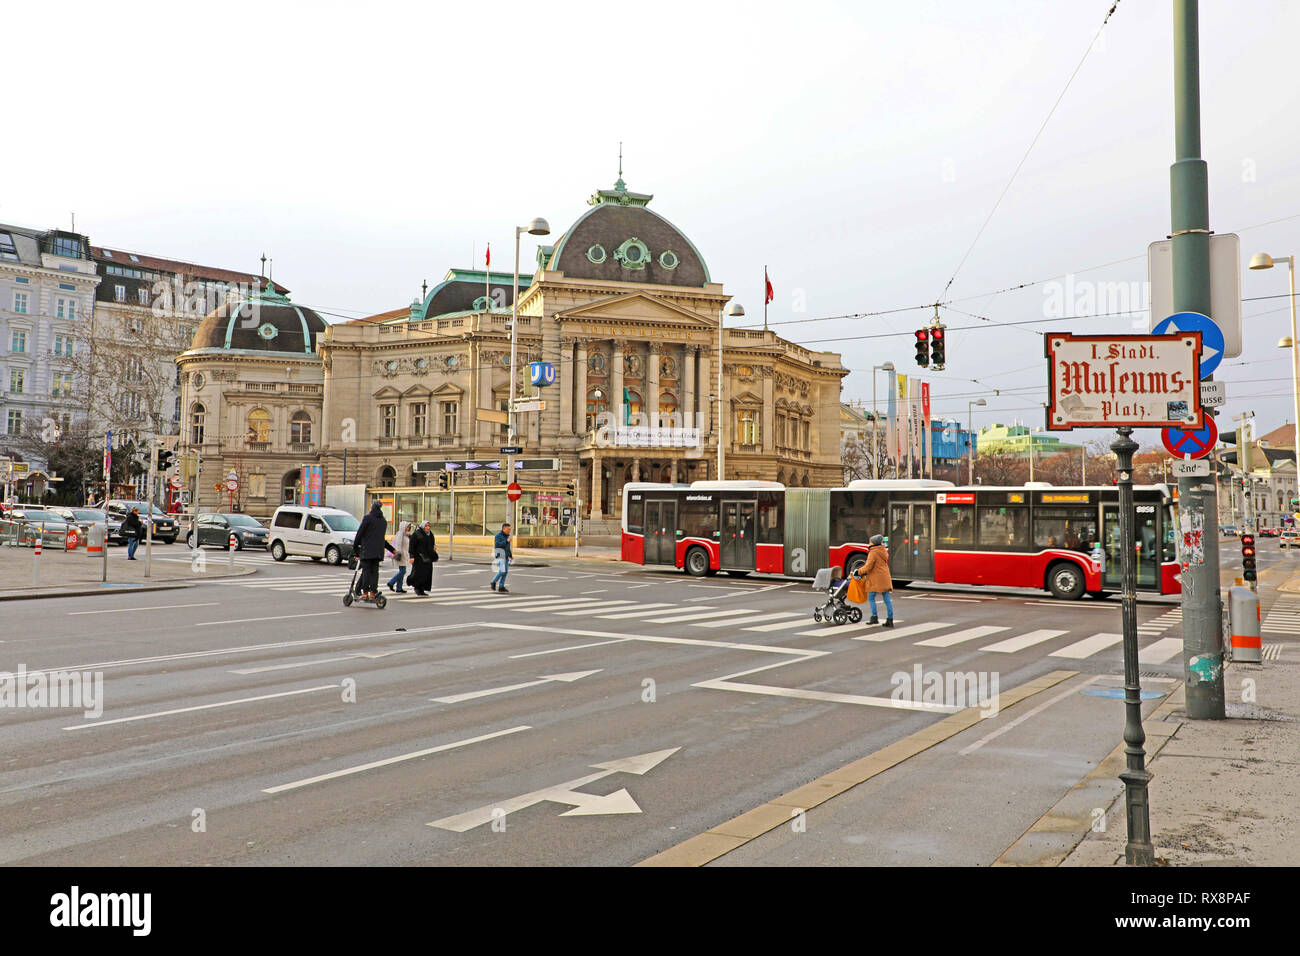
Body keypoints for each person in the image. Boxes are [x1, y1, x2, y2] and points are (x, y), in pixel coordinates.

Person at [352, 501, 395, 602]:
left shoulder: (368, 518)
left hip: (367, 550)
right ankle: (373, 593)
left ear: (372, 507)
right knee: (375, 572)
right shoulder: (383, 521)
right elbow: (381, 539)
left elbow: (360, 533)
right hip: (378, 551)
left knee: (366, 571)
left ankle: (365, 593)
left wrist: (355, 547)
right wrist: (392, 549)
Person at [862, 533, 894, 627]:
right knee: (887, 599)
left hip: (876, 579)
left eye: (870, 541)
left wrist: (859, 571)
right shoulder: (883, 551)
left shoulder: (873, 552)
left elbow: (868, 567)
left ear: (873, 543)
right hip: (885, 577)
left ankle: (874, 617)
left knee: (871, 597)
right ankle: (890, 619)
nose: (869, 543)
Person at [408, 519, 439, 595]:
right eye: (426, 526)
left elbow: (432, 542)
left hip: (428, 557)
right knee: (419, 573)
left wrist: (434, 547)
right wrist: (411, 556)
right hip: (419, 557)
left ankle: (422, 588)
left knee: (427, 574)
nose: (428, 527)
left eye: (429, 526)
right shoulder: (417, 534)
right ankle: (418, 588)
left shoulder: (430, 534)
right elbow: (412, 546)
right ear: (423, 526)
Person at [385, 520, 411, 594]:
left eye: (409, 527)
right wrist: (399, 553)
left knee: (402, 571)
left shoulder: (406, 534)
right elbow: (398, 544)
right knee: (403, 571)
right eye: (407, 527)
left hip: (404, 555)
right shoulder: (400, 534)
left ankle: (399, 588)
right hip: (400, 555)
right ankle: (391, 582)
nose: (408, 528)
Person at [490, 522, 513, 592]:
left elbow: (507, 547)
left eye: (510, 529)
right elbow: (498, 545)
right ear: (503, 529)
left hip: (505, 556)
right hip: (500, 555)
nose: (509, 531)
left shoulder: (507, 536)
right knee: (502, 571)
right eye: (508, 529)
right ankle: (493, 581)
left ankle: (501, 586)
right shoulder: (498, 536)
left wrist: (510, 555)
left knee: (505, 572)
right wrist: (506, 541)